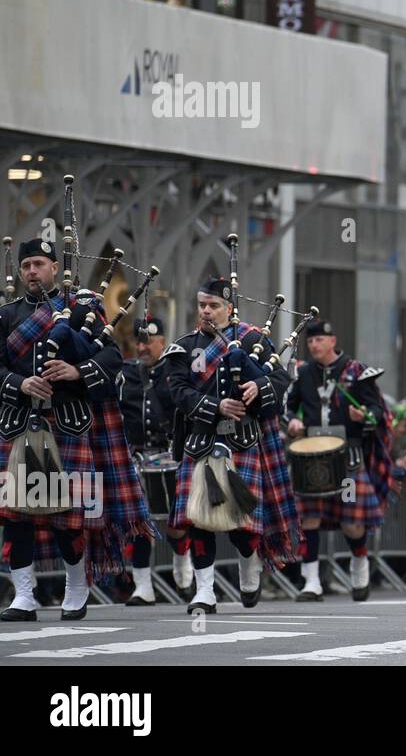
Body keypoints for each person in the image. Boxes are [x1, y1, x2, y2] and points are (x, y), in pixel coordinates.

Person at [0, 238, 152, 622]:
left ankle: (76, 588)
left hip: (67, 422)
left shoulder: (80, 310)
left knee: (70, 516)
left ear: (55, 267)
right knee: (15, 516)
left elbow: (111, 356)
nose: (32, 271)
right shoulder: (7, 315)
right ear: (20, 272)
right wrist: (19, 383)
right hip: (19, 422)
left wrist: (75, 372)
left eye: (39, 264)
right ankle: (23, 597)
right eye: (26, 265)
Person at [160, 277, 298, 614]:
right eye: (202, 305)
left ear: (229, 309)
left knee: (239, 521)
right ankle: (204, 591)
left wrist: (258, 385)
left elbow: (281, 380)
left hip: (242, 440)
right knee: (199, 519)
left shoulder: (253, 341)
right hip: (201, 439)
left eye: (214, 306)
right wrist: (215, 406)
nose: (206, 311)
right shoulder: (183, 346)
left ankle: (249, 565)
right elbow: (175, 391)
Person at [284, 317, 394, 602]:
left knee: (351, 521)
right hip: (311, 458)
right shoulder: (303, 373)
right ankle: (311, 582)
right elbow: (290, 408)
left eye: (319, 340)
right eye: (310, 341)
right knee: (309, 518)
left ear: (333, 341)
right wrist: (293, 422)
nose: (314, 345)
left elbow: (377, 410)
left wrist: (365, 416)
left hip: (348, 459)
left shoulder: (355, 371)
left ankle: (359, 567)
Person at [117, 315, 194, 605]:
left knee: (175, 524)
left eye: (149, 341)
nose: (143, 347)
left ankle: (181, 557)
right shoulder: (126, 374)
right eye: (139, 341)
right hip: (136, 458)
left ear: (162, 341)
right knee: (140, 524)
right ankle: (143, 586)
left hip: (172, 456)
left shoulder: (175, 371)